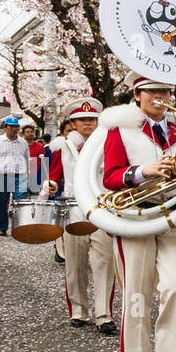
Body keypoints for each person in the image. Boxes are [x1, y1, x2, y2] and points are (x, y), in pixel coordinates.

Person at [99, 75, 176, 352]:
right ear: (137, 94)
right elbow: (110, 176)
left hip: (174, 215)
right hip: (136, 215)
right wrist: (142, 171)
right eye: (152, 92)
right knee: (137, 291)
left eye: (164, 91)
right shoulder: (121, 128)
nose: (159, 97)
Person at [47, 99, 118, 334]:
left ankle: (104, 315)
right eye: (82, 120)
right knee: (74, 265)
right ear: (73, 123)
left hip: (103, 210)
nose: (88, 123)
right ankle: (78, 311)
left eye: (92, 119)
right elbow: (54, 176)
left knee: (104, 263)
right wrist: (50, 185)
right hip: (73, 211)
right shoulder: (63, 147)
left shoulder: (110, 143)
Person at [0, 116, 31, 236]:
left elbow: (27, 159)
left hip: (19, 175)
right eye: (12, 126)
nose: (14, 129)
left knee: (21, 201)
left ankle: (18, 226)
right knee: (0, 202)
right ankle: (2, 227)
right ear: (5, 127)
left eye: (16, 127)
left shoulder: (23, 143)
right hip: (1, 175)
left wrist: (31, 175)